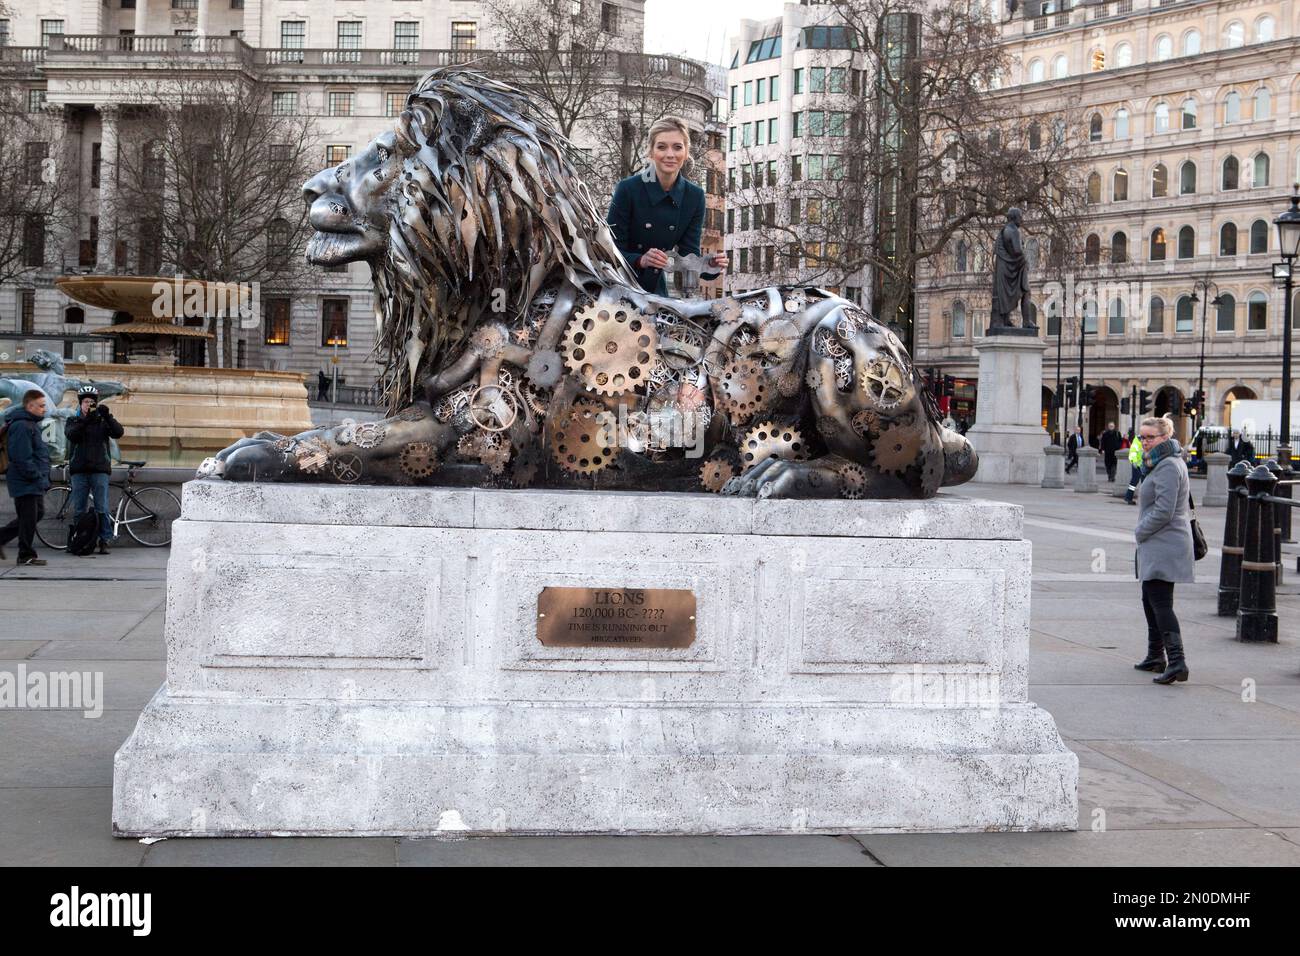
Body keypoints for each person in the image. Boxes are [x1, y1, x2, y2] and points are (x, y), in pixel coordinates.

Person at [607, 116, 729, 296]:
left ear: (686, 152)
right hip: (617, 286)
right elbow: (609, 251)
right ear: (651, 152)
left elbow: (688, 257)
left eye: (677, 147)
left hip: (655, 292)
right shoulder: (628, 189)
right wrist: (641, 260)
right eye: (662, 147)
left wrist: (709, 265)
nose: (670, 154)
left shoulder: (694, 197)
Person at [1132, 415, 1194, 685]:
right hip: (1157, 542)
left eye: (1150, 437)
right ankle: (1156, 656)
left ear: (1164, 437)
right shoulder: (1158, 463)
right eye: (1142, 437)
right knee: (1149, 598)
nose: (1145, 441)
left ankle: (1177, 661)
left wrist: (1140, 530)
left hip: (1164, 541)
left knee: (1160, 602)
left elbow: (1164, 510)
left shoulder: (1168, 465)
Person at [65, 385, 125, 555]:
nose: (88, 405)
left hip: (99, 469)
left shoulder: (102, 421)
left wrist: (107, 416)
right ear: (80, 404)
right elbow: (72, 435)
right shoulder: (73, 420)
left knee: (102, 507)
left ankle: (104, 540)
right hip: (79, 471)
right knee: (79, 509)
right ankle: (78, 539)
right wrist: (85, 421)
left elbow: (118, 432)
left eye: (92, 402)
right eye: (85, 402)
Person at [0, 390, 52, 566]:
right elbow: (21, 457)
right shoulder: (22, 425)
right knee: (29, 516)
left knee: (34, 514)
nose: (44, 409)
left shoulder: (29, 424)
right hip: (25, 480)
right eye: (41, 405)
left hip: (30, 480)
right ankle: (25, 555)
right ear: (30, 406)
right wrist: (38, 477)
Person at [1123, 435, 1144, 505]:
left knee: (1144, 482)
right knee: (1134, 481)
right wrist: (1134, 461)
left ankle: (1130, 497)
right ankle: (1128, 497)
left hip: (1144, 465)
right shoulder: (1137, 440)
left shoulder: (1146, 439)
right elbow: (1133, 452)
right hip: (1137, 465)